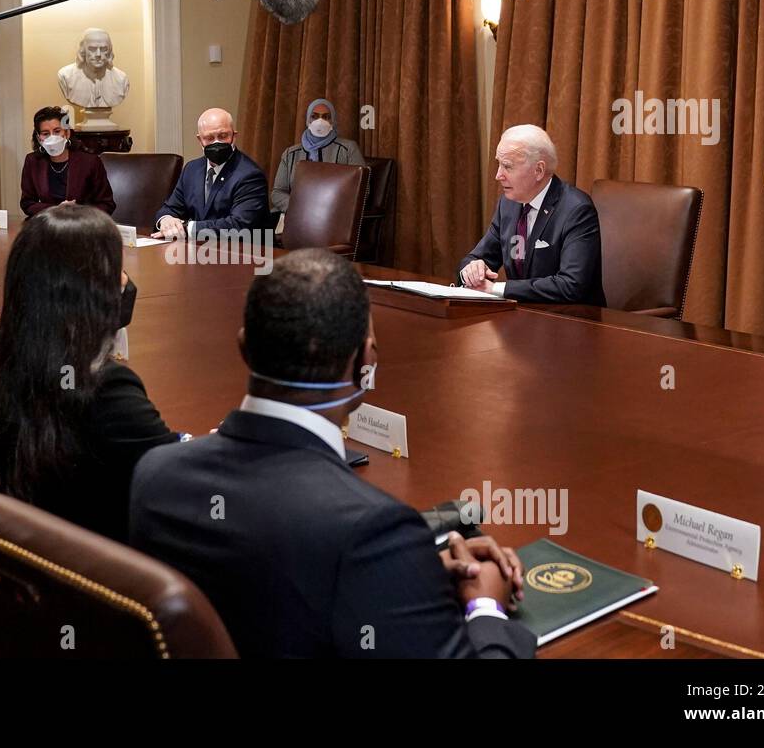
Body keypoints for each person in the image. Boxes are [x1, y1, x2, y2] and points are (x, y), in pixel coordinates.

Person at [129, 248, 537, 658]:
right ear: (366, 361)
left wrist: (410, 578)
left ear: (244, 348)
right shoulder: (372, 530)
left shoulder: (155, 475)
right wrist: (485, 606)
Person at [0, 204, 178, 543]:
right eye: (117, 272)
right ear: (91, 290)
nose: (125, 282)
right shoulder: (107, 387)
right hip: (97, 573)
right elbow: (175, 473)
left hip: (17, 561)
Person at [457, 124, 605, 305]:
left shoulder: (576, 210)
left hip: (572, 322)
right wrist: (472, 270)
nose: (498, 175)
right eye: (499, 164)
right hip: (522, 319)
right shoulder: (508, 204)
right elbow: (477, 257)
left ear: (538, 170)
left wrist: (496, 289)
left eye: (507, 166)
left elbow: (571, 285)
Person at [153, 108, 271, 238]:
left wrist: (188, 227)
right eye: (209, 138)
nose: (216, 143)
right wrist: (166, 220)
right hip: (199, 250)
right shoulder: (192, 169)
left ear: (234, 136)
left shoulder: (250, 175)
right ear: (200, 140)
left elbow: (239, 225)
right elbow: (170, 208)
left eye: (223, 136)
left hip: (244, 252)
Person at [271, 98, 365, 214]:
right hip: (295, 215)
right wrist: (298, 207)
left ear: (333, 121)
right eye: (314, 116)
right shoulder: (290, 154)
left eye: (326, 117)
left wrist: (326, 208)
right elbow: (278, 192)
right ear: (307, 120)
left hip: (332, 216)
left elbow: (362, 189)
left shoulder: (348, 149)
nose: (320, 121)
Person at [19, 106, 115, 216]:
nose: (52, 137)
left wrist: (77, 212)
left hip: (82, 225)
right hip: (47, 224)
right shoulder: (33, 161)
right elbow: (27, 203)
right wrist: (56, 210)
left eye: (57, 131)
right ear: (39, 138)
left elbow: (107, 204)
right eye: (45, 133)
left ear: (67, 133)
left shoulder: (90, 162)